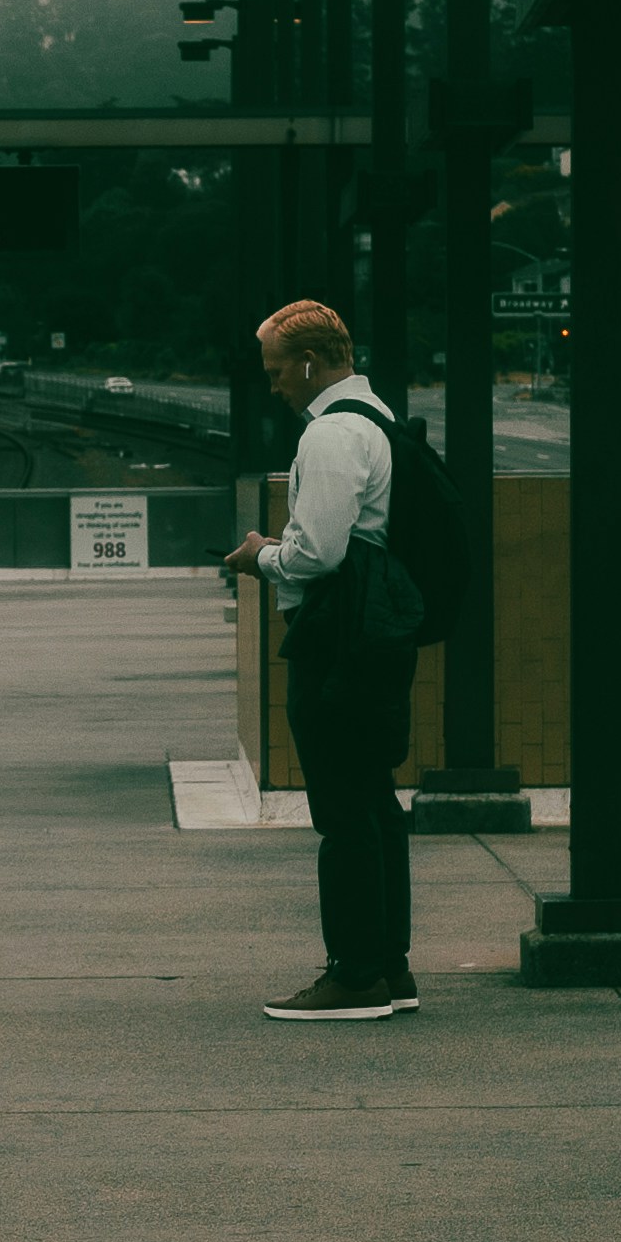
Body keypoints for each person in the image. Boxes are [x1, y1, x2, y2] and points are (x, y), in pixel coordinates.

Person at [215, 297, 417, 1019]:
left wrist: (260, 555)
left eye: (276, 371)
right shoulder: (378, 419)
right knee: (373, 799)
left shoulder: (331, 438)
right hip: (370, 635)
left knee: (343, 808)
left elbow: (318, 552)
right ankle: (389, 968)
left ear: (307, 363)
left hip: (337, 641)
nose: (272, 385)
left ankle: (354, 976)